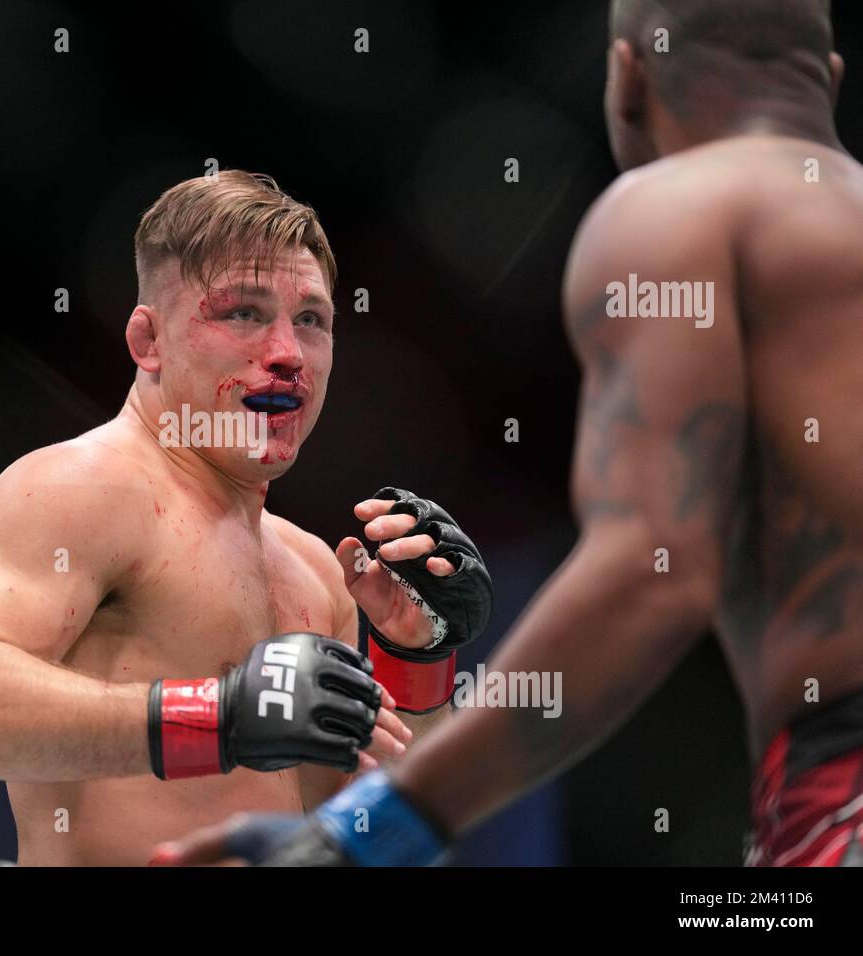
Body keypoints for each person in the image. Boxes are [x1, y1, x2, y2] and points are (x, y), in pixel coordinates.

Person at [155, 0, 863, 867]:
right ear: (827, 81)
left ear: (628, 78)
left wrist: (364, 833)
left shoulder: (683, 207)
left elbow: (653, 571)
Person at [0, 170, 492, 865]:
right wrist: (217, 717)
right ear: (149, 342)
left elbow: (356, 828)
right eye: (242, 313)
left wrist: (417, 658)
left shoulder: (316, 567)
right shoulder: (84, 487)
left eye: (311, 320)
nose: (289, 355)